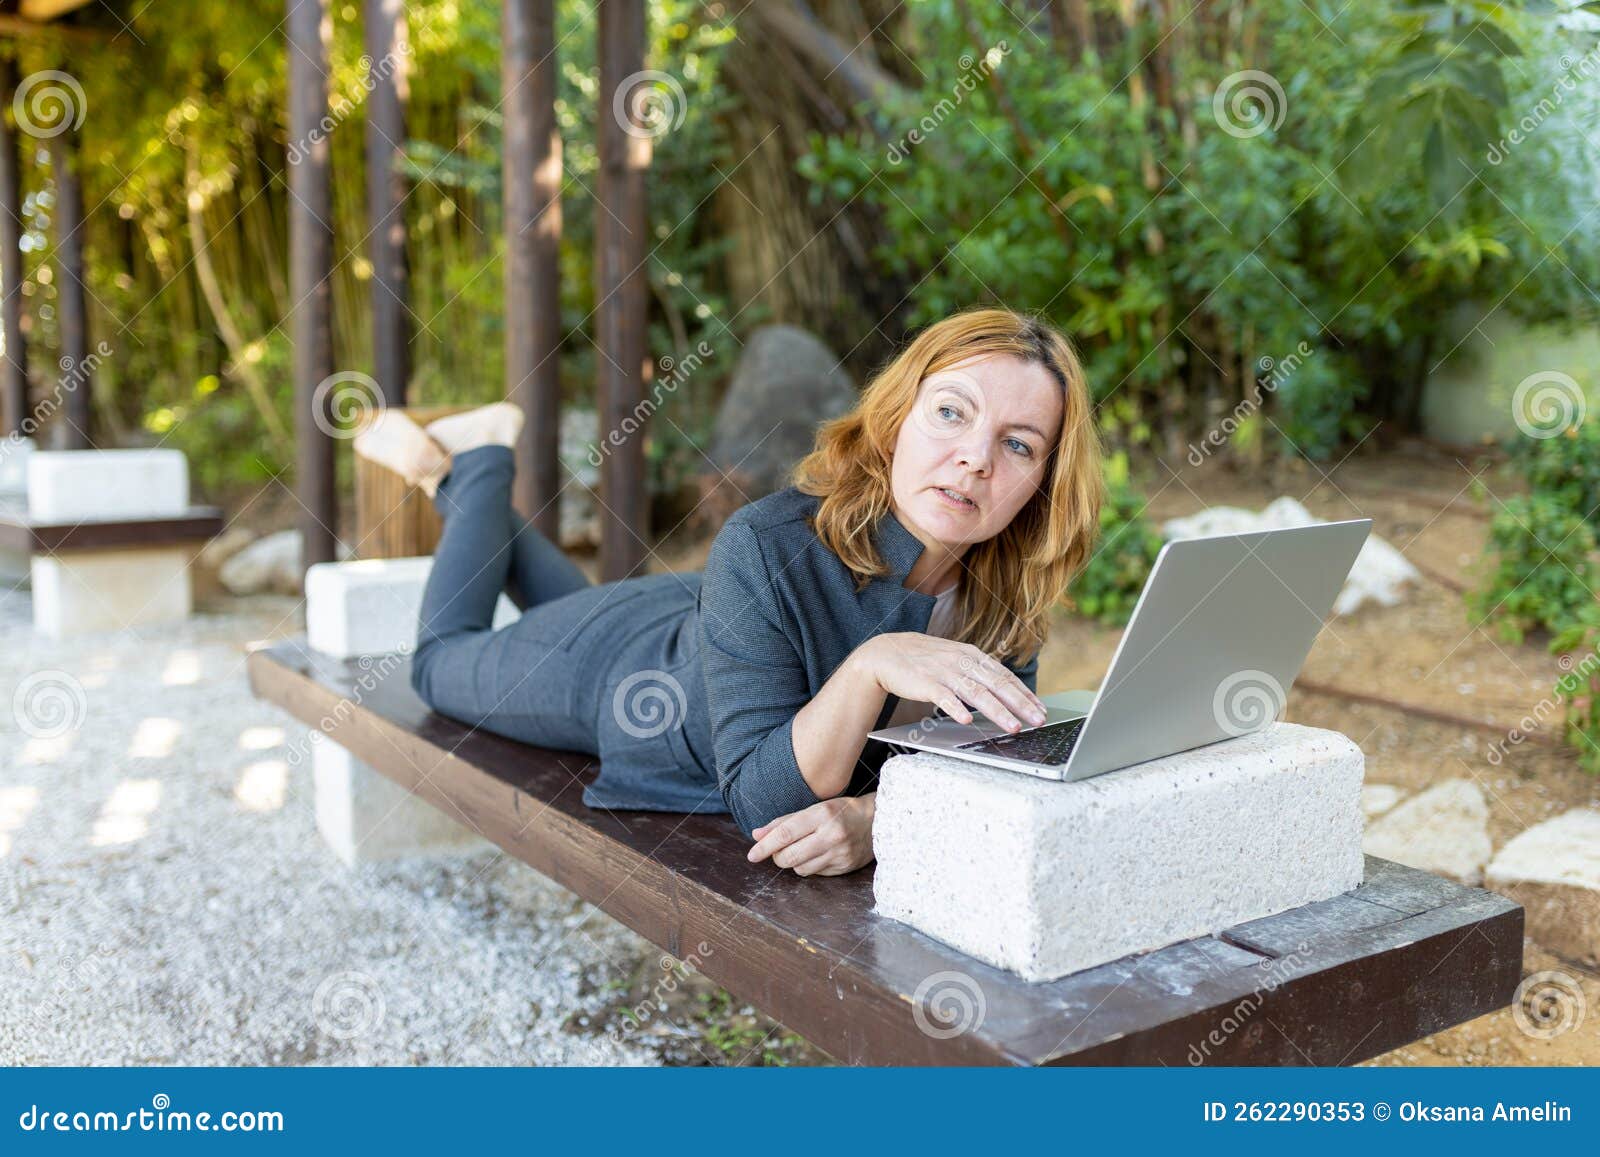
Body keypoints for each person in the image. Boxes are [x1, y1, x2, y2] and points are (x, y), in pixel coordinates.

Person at [352, 307, 1104, 877]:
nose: (975, 458)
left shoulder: (1008, 596)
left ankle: (454, 478)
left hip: (707, 612)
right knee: (438, 663)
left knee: (552, 611)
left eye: (1018, 444)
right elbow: (766, 803)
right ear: (895, 421)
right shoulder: (767, 539)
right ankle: (483, 460)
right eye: (950, 412)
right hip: (624, 668)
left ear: (1042, 483)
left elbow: (988, 767)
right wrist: (873, 663)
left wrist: (877, 818)